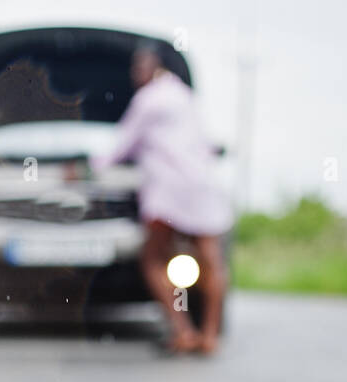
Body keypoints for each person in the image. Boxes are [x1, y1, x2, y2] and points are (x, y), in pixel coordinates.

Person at [69, 45, 232, 354]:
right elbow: (207, 144)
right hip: (202, 186)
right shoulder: (186, 97)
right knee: (212, 262)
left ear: (151, 67)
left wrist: (86, 168)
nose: (134, 75)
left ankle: (183, 331)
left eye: (137, 68)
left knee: (154, 258)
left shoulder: (148, 99)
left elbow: (121, 147)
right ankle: (210, 336)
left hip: (168, 190)